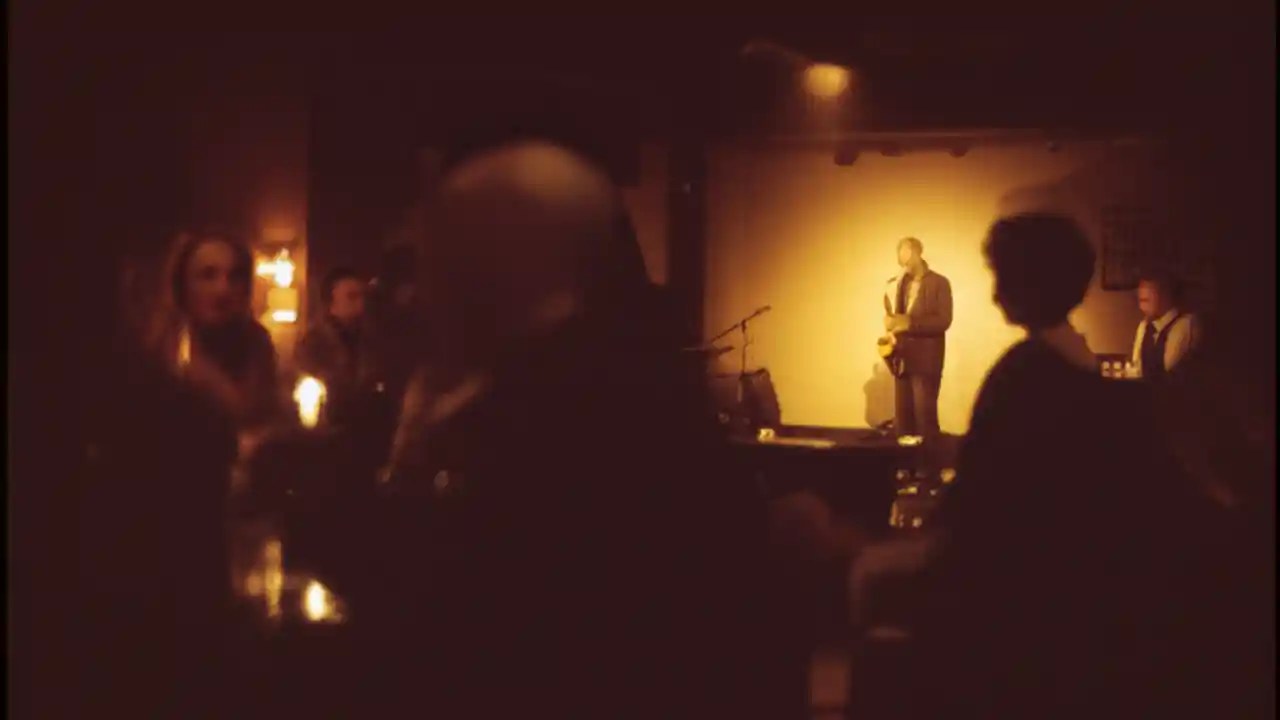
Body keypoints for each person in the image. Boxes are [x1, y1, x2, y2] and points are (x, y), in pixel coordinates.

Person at [372, 139, 771, 717]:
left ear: (500, 261)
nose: (420, 294)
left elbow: (445, 627)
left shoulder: (539, 418)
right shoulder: (636, 391)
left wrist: (410, 470)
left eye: (441, 260)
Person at [910, 214, 1232, 717]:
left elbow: (975, 513)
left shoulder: (1024, 374)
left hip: (1021, 608)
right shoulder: (1075, 370)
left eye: (1003, 278)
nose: (995, 296)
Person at [145, 230, 279, 431]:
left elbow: (264, 420)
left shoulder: (258, 342)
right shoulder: (161, 348)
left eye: (235, 277)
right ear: (183, 286)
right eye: (208, 276)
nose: (223, 290)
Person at [882, 237, 952, 443]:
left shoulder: (940, 282)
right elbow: (901, 318)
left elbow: (944, 321)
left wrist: (909, 323)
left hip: (926, 363)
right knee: (903, 421)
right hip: (903, 360)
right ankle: (905, 468)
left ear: (916, 252)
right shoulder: (902, 284)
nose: (901, 263)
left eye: (904, 256)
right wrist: (892, 324)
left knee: (925, 420)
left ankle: (929, 469)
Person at [295, 266, 372, 425]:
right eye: (352, 297)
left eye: (363, 297)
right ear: (331, 303)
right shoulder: (314, 343)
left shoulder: (370, 340)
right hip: (329, 427)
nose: (361, 304)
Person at [1130, 271, 1197, 381]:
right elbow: (1136, 366)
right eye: (1140, 300)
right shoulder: (1144, 326)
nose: (1141, 307)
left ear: (1164, 297)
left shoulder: (1185, 325)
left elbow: (1169, 370)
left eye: (1146, 301)